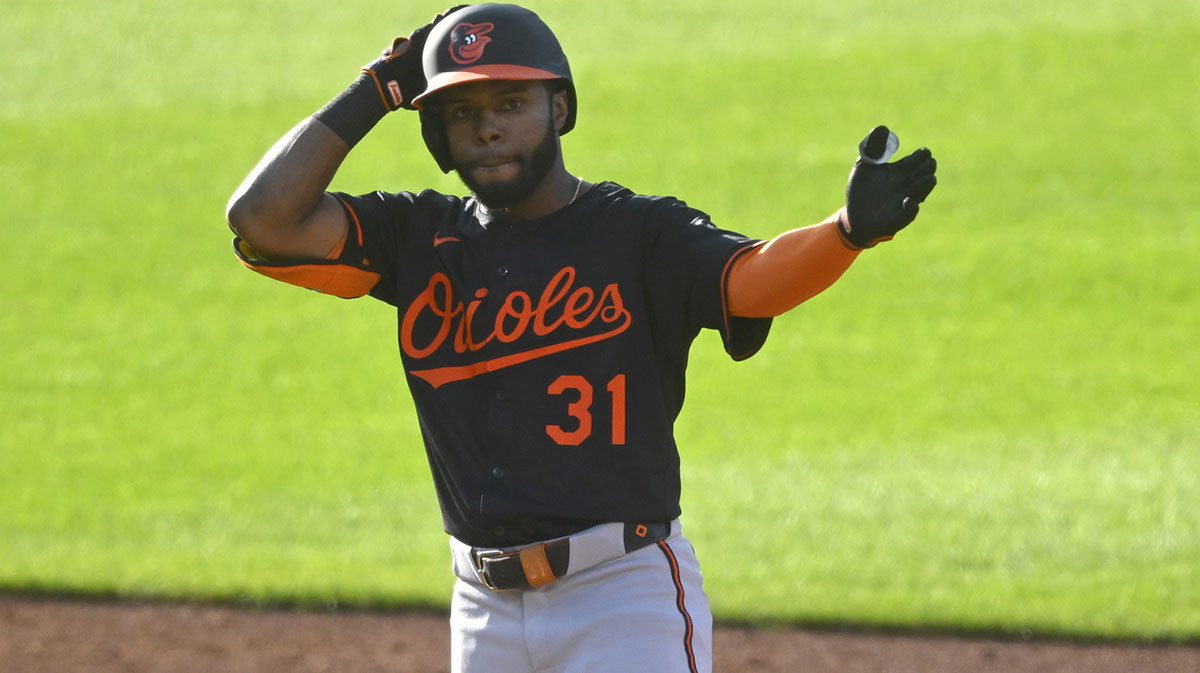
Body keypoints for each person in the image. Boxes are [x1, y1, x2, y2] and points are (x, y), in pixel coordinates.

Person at [225, 4, 937, 672]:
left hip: (622, 595)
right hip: (481, 608)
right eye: (462, 113)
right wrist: (378, 87)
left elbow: (748, 282)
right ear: (437, 134)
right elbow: (264, 219)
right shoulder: (414, 237)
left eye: (511, 104)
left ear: (558, 108)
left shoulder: (635, 231)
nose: (488, 128)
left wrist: (846, 233)